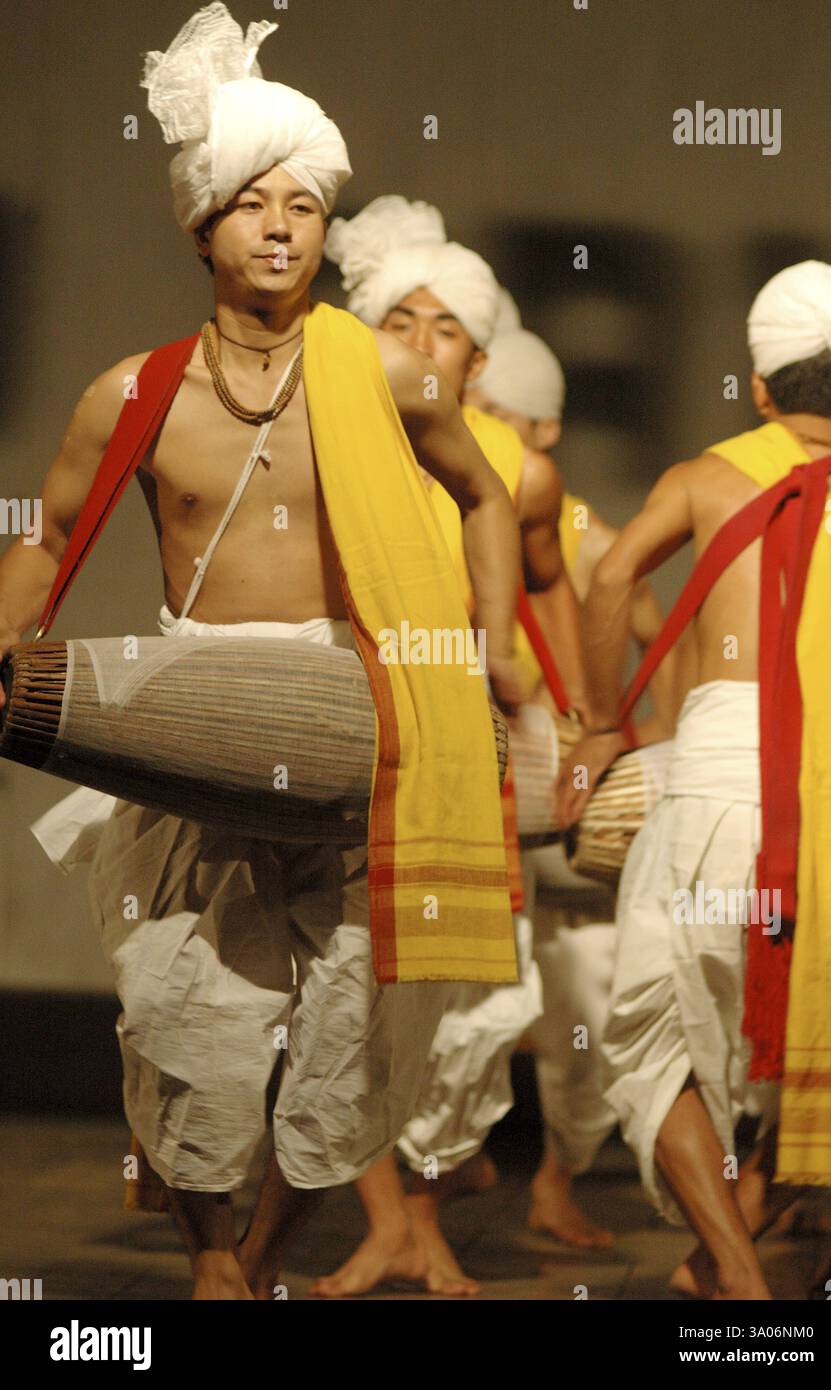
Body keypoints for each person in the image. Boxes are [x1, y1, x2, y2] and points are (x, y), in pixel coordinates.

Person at [3, 4, 525, 1300]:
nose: (282, 224)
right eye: (252, 201)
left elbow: (488, 493)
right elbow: (50, 528)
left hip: (358, 722)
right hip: (194, 724)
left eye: (304, 201)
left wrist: (494, 646)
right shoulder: (133, 393)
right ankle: (214, 1260)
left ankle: (262, 1259)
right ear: (203, 223)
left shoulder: (385, 375)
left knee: (352, 1041)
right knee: (183, 1029)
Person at [558, 187, 831, 1299]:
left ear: (761, 385)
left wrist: (599, 727)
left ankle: (733, 1278)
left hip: (719, 785)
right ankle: (726, 1269)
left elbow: (605, 578)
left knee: (655, 1046)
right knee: (825, 1069)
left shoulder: (700, 476)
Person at [303, 197, 592, 1297]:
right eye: (402, 319)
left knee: (463, 1006)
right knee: (355, 981)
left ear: (481, 349)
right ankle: (388, 1223)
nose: (424, 342)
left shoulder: (519, 465)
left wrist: (581, 727)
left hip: (473, 746)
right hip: (361, 726)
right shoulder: (337, 435)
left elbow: (553, 598)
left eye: (448, 326)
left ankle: (417, 1219)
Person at [465, 322, 681, 1245]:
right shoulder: (446, 508)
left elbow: (662, 669)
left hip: (562, 799)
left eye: (498, 417)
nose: (475, 432)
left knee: (589, 999)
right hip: (473, 792)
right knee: (457, 998)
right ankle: (443, 1153)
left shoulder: (590, 538)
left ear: (544, 433)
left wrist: (622, 755)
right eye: (470, 413)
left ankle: (558, 1176)